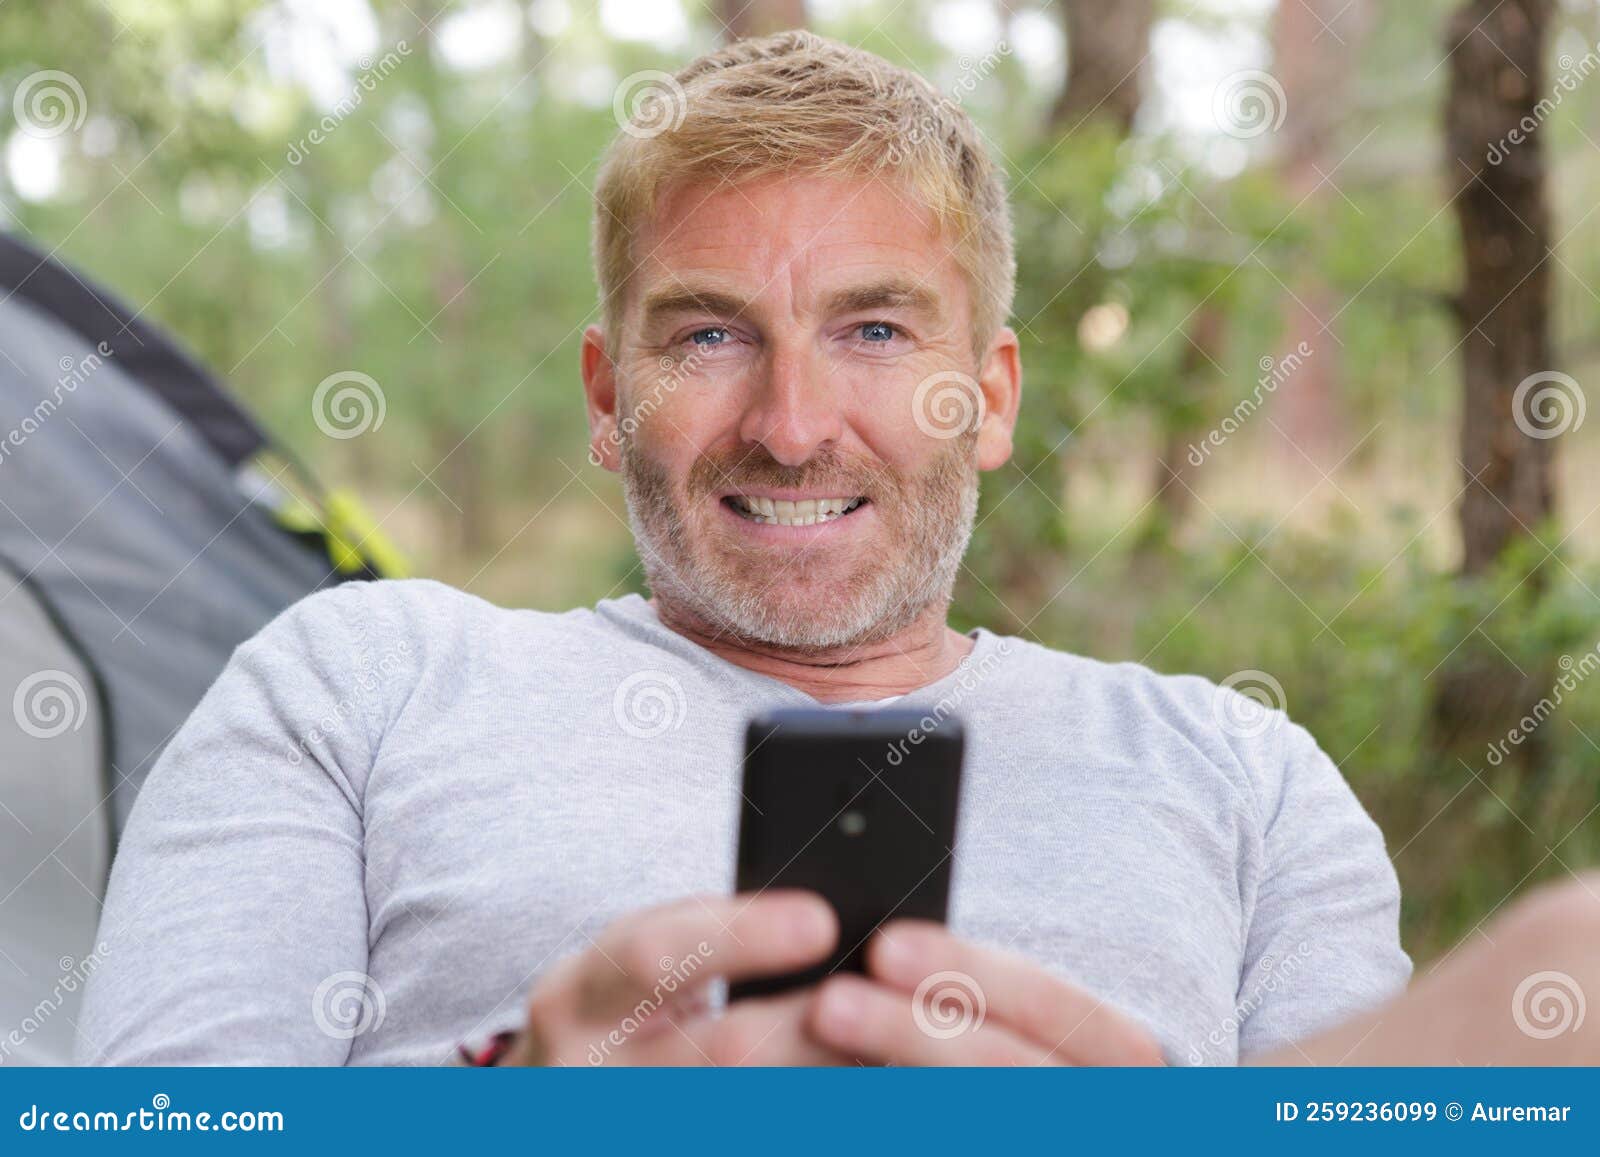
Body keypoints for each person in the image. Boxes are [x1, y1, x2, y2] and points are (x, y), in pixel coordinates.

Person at [77, 31, 1413, 1067]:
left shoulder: (1247, 781)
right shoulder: (358, 687)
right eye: (710, 334)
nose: (791, 427)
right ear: (609, 399)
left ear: (992, 396)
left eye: (875, 331)